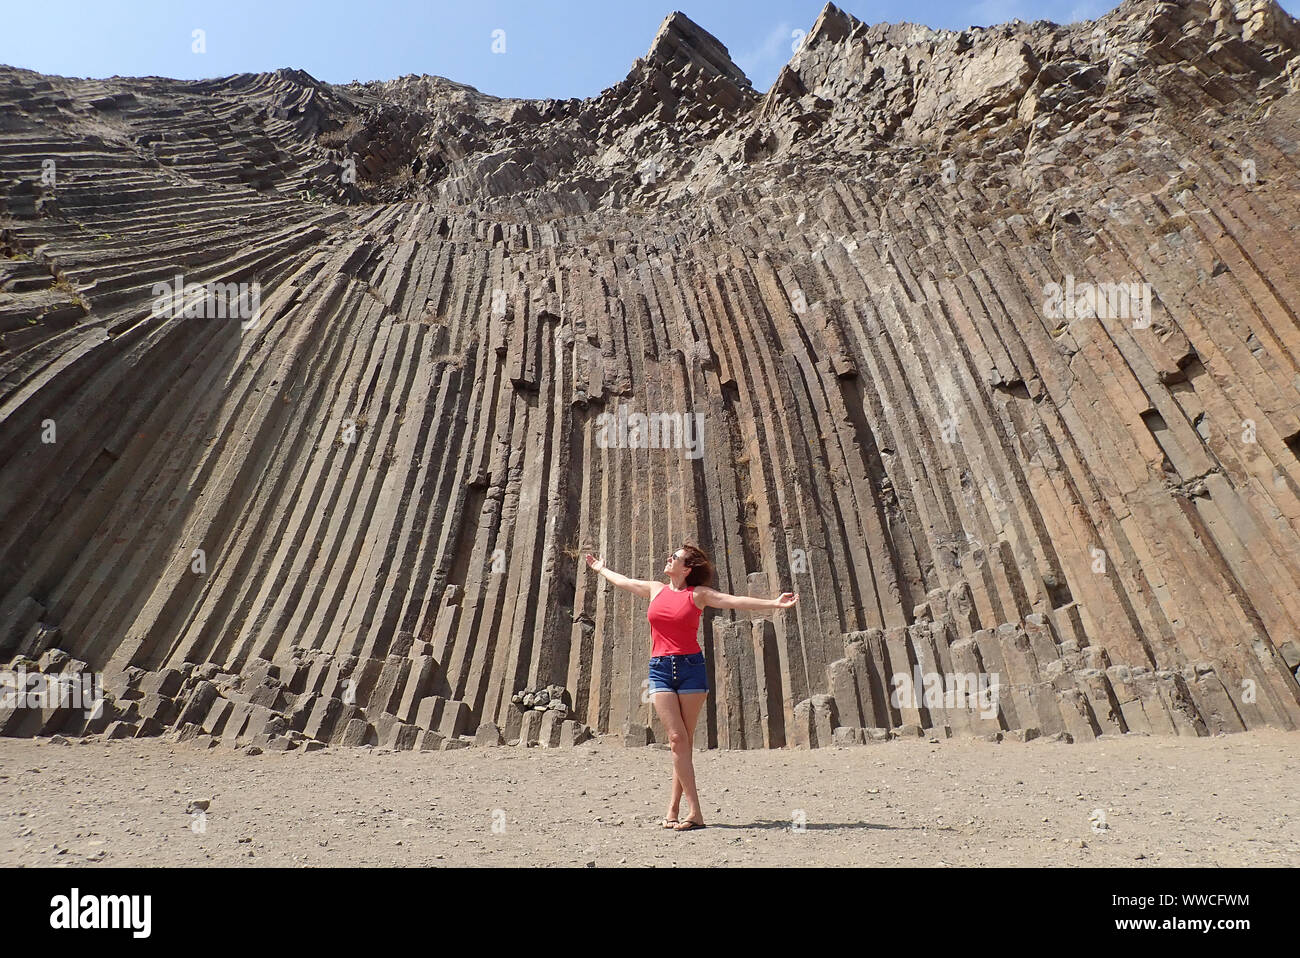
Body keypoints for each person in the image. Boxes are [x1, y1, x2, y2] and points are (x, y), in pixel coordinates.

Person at [584, 544, 798, 831]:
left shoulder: (697, 595)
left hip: (691, 670)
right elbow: (625, 582)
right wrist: (600, 569)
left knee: (681, 742)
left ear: (687, 569)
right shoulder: (656, 589)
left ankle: (681, 811)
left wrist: (774, 603)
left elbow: (733, 601)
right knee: (676, 738)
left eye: (674, 557)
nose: (668, 558)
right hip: (659, 669)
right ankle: (688, 811)